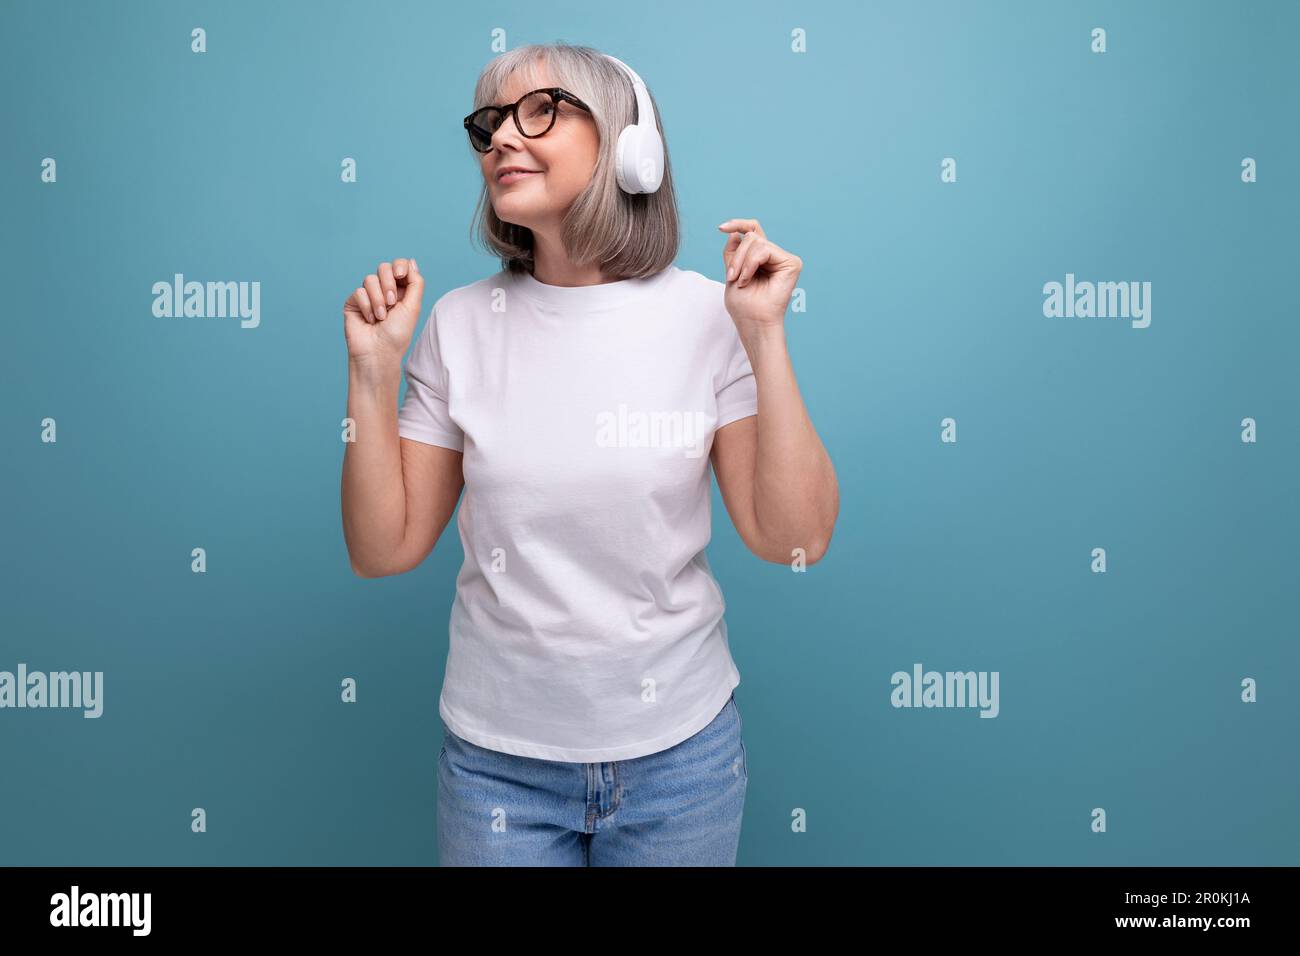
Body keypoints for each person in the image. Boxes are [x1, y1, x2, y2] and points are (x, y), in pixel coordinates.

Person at [340, 42, 838, 866]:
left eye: (539, 111)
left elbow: (796, 539)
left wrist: (764, 337)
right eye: (489, 123)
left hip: (682, 758)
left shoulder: (711, 316)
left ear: (628, 146)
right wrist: (371, 370)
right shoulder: (460, 326)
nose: (501, 138)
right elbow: (381, 550)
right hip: (498, 767)